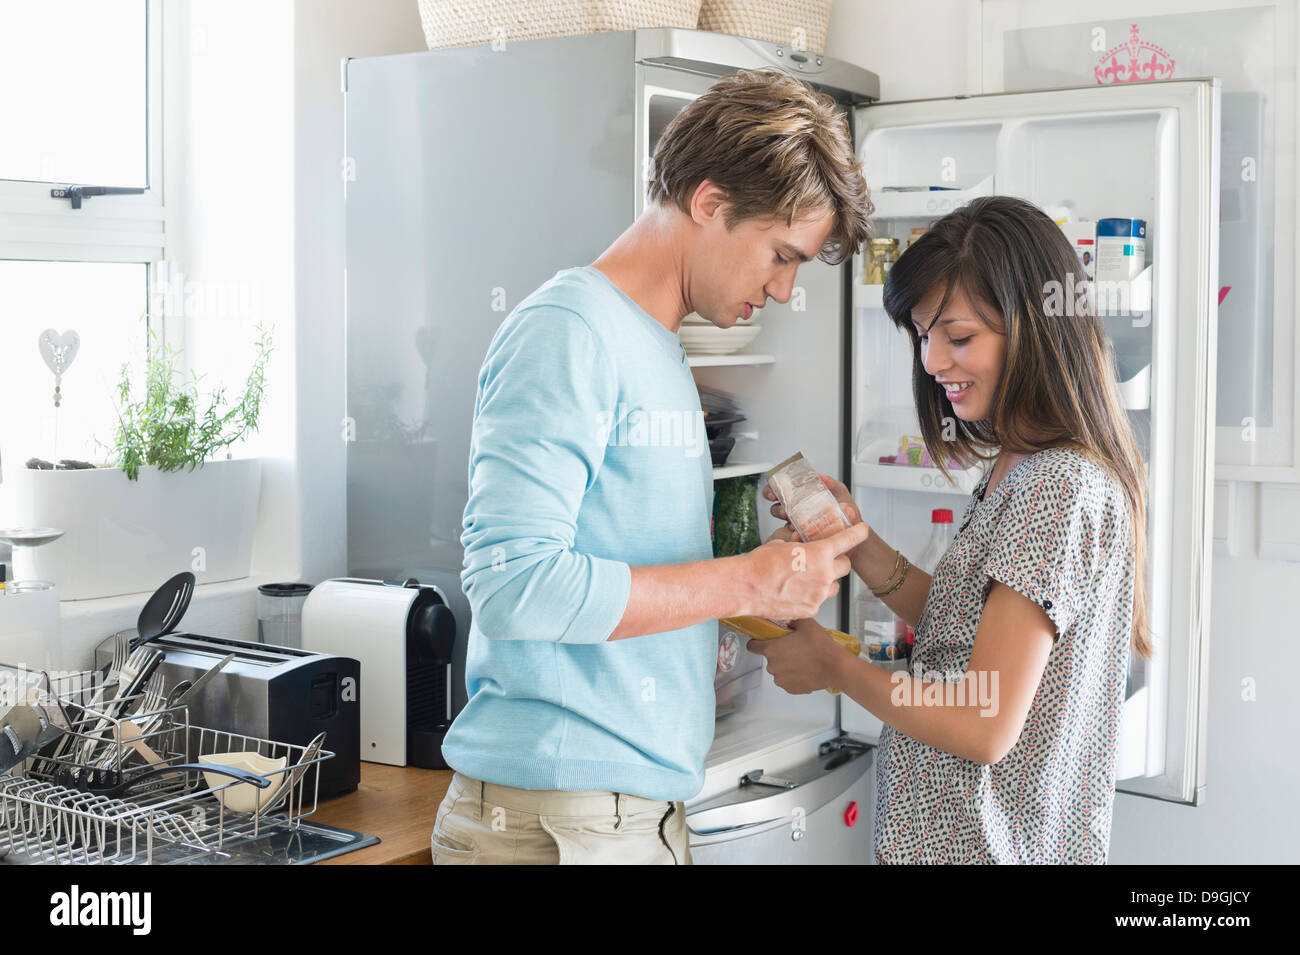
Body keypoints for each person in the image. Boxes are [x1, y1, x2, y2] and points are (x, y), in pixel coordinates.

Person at [430, 69, 874, 865]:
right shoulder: (569, 331)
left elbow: (627, 579)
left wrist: (771, 591)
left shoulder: (656, 345)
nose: (783, 288)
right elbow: (513, 584)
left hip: (623, 811)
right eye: (781, 254)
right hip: (564, 819)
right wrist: (747, 579)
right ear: (708, 202)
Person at [752, 195, 1149, 864]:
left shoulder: (1057, 484)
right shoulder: (1021, 463)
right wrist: (858, 540)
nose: (934, 362)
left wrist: (835, 666)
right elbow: (971, 629)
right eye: (922, 335)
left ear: (1035, 328)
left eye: (958, 337)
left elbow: (983, 721)